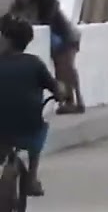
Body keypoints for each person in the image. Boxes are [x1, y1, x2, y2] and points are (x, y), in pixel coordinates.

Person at [0, 14, 68, 196]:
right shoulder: (34, 63)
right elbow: (57, 89)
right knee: (41, 129)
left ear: (5, 39)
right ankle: (31, 178)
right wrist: (61, 93)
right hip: (28, 127)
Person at [9, 0, 84, 114]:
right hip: (55, 38)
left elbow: (47, 17)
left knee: (66, 68)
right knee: (61, 70)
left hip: (64, 36)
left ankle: (77, 101)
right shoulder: (20, 3)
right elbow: (13, 16)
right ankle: (70, 102)